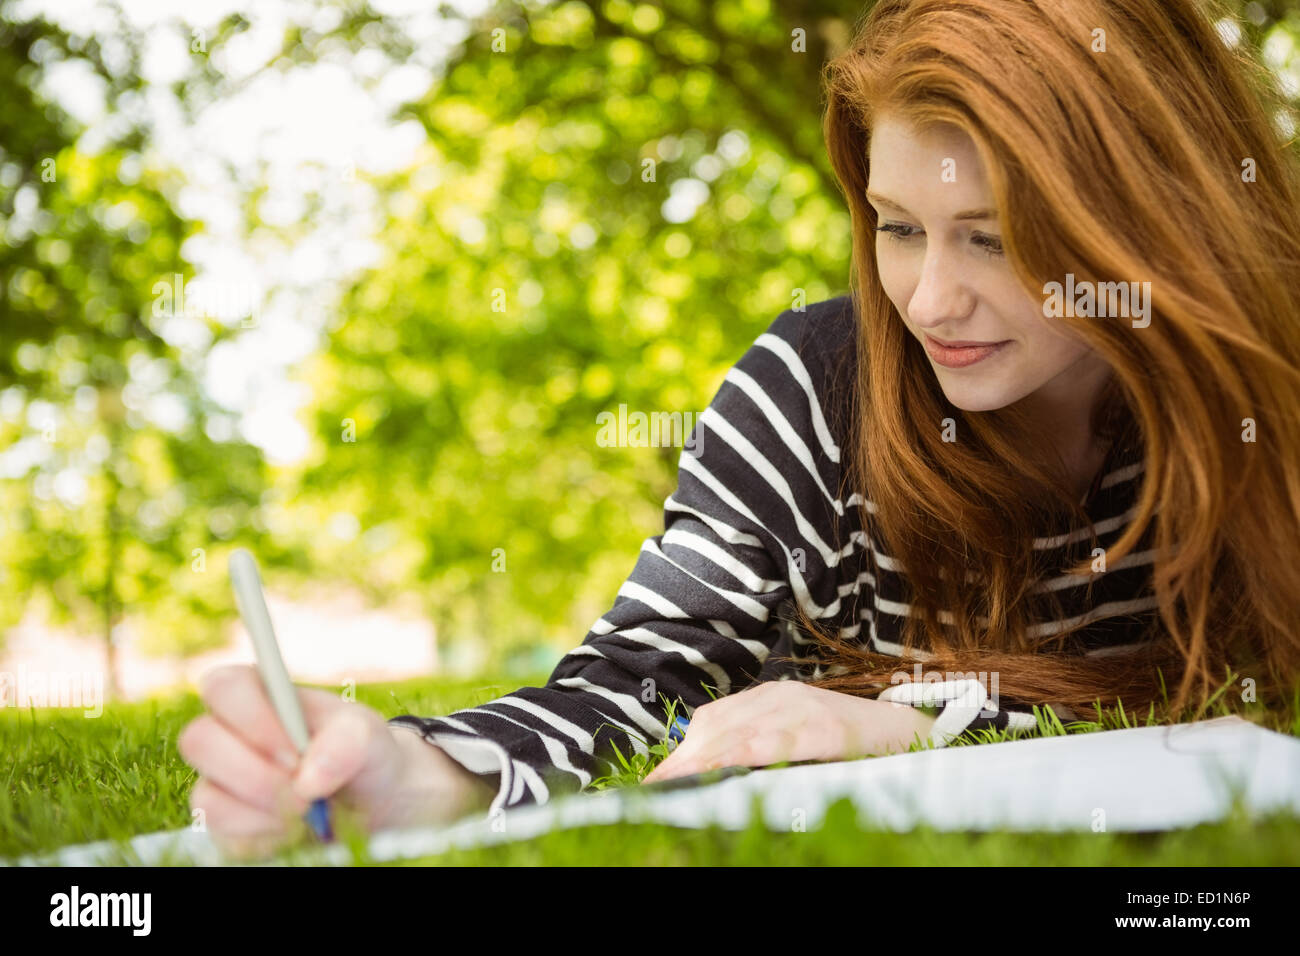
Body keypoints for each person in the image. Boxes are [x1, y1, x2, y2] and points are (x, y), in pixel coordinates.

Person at [178, 0, 1300, 859]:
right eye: (898, 227)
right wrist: (422, 770)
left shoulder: (1264, 391)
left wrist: (913, 722)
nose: (927, 301)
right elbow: (639, 680)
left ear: (1147, 215)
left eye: (994, 239)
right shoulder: (811, 392)